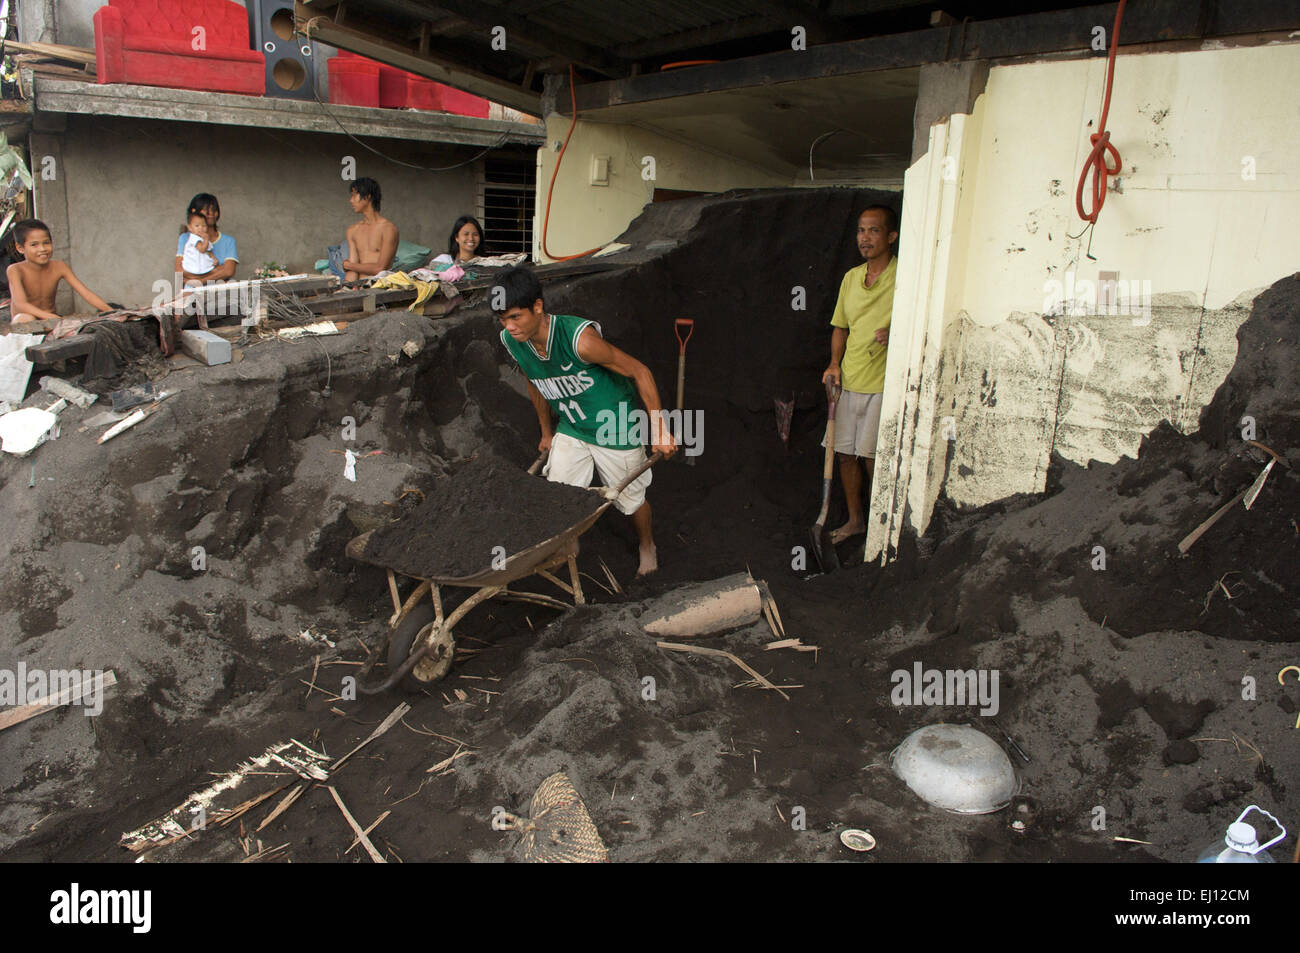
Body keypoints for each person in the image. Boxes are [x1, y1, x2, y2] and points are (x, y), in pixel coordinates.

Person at [493, 265, 675, 576]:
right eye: (502, 319)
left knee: (631, 500)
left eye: (515, 317)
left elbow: (640, 371)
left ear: (538, 306)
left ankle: (647, 544)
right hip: (573, 425)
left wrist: (660, 430)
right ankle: (569, 545)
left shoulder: (580, 341)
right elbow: (534, 380)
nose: (509, 326)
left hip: (613, 426)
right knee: (559, 494)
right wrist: (546, 432)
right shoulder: (513, 340)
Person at [820, 205, 899, 544]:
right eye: (861, 231)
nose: (865, 238)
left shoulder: (903, 277)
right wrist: (834, 364)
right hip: (849, 380)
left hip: (882, 383)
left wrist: (896, 332)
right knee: (845, 455)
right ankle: (855, 521)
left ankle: (881, 527)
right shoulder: (852, 278)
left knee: (872, 457)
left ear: (891, 237)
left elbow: (918, 320)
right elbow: (840, 327)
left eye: (874, 231)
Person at [7, 219, 111, 322]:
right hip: (25, 323)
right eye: (34, 244)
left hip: (52, 322)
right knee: (26, 318)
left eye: (46, 243)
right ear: (20, 248)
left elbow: (86, 294)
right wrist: (53, 318)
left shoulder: (59, 266)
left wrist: (111, 312)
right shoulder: (15, 270)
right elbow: (21, 304)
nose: (42, 249)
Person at [174, 193, 238, 283]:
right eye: (206, 210)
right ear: (194, 211)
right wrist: (215, 271)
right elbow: (179, 271)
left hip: (217, 289)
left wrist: (199, 281)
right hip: (191, 290)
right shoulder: (185, 238)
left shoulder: (228, 241)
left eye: (214, 210)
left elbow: (228, 271)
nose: (211, 213)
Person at [343, 177, 398, 281]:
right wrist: (346, 287)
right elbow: (352, 272)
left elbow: (380, 269)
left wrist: (348, 265)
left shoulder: (388, 229)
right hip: (358, 286)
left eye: (354, 195)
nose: (351, 200)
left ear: (367, 197)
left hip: (379, 286)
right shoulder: (352, 230)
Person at [180, 211, 218, 279]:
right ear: (190, 228)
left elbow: (208, 251)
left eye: (204, 226)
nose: (200, 228)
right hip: (194, 267)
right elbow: (202, 249)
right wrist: (206, 239)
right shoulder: (193, 238)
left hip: (203, 266)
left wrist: (213, 258)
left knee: (219, 269)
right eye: (197, 226)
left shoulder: (203, 238)